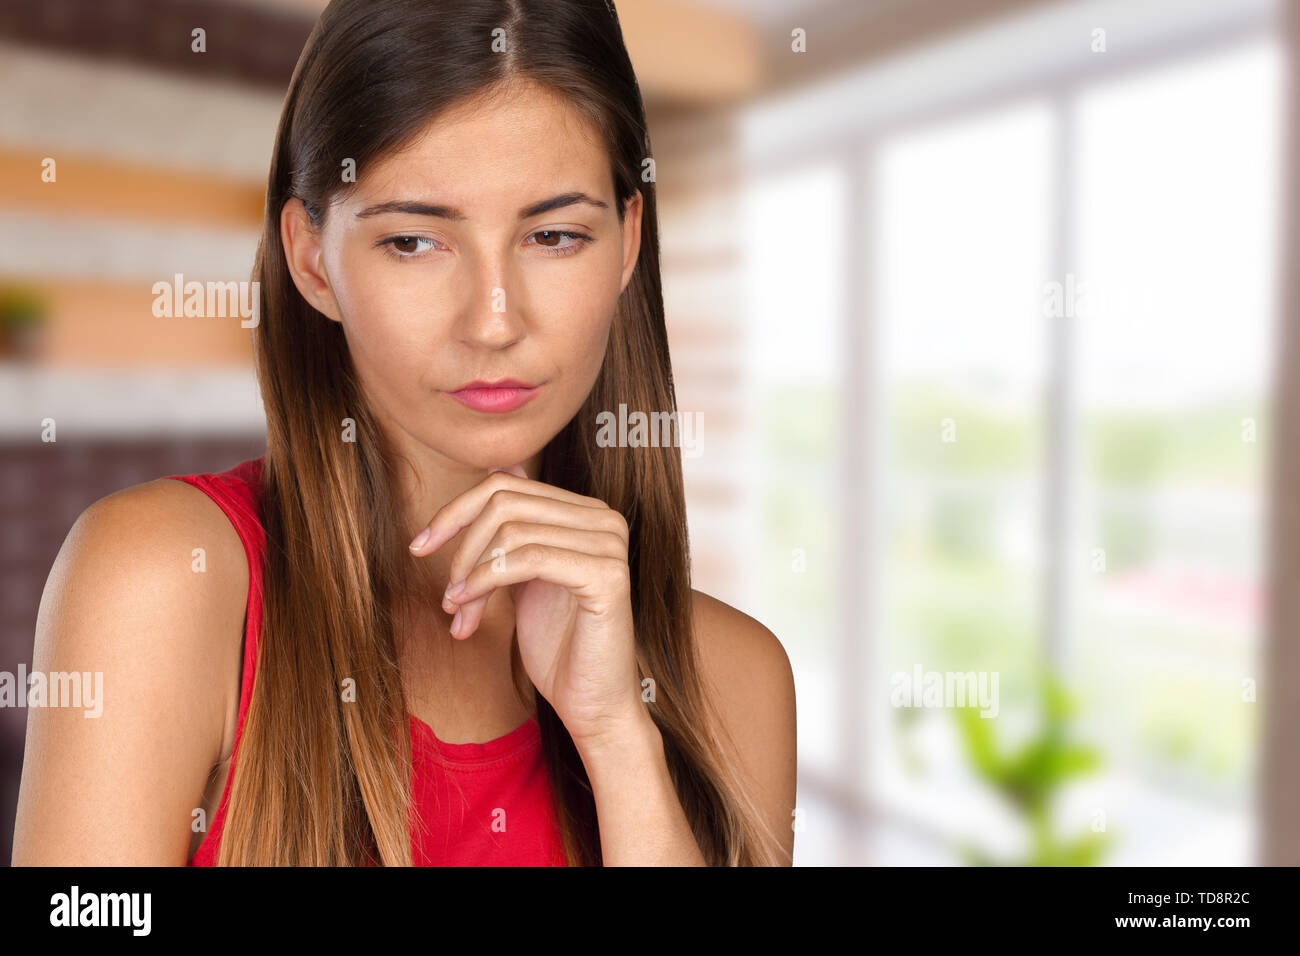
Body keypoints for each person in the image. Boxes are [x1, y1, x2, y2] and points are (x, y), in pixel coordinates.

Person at [12, 0, 795, 866]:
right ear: (312, 261)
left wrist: (618, 739)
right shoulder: (160, 581)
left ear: (626, 245)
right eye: (416, 241)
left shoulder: (738, 680)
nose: (494, 321)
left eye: (554, 234)